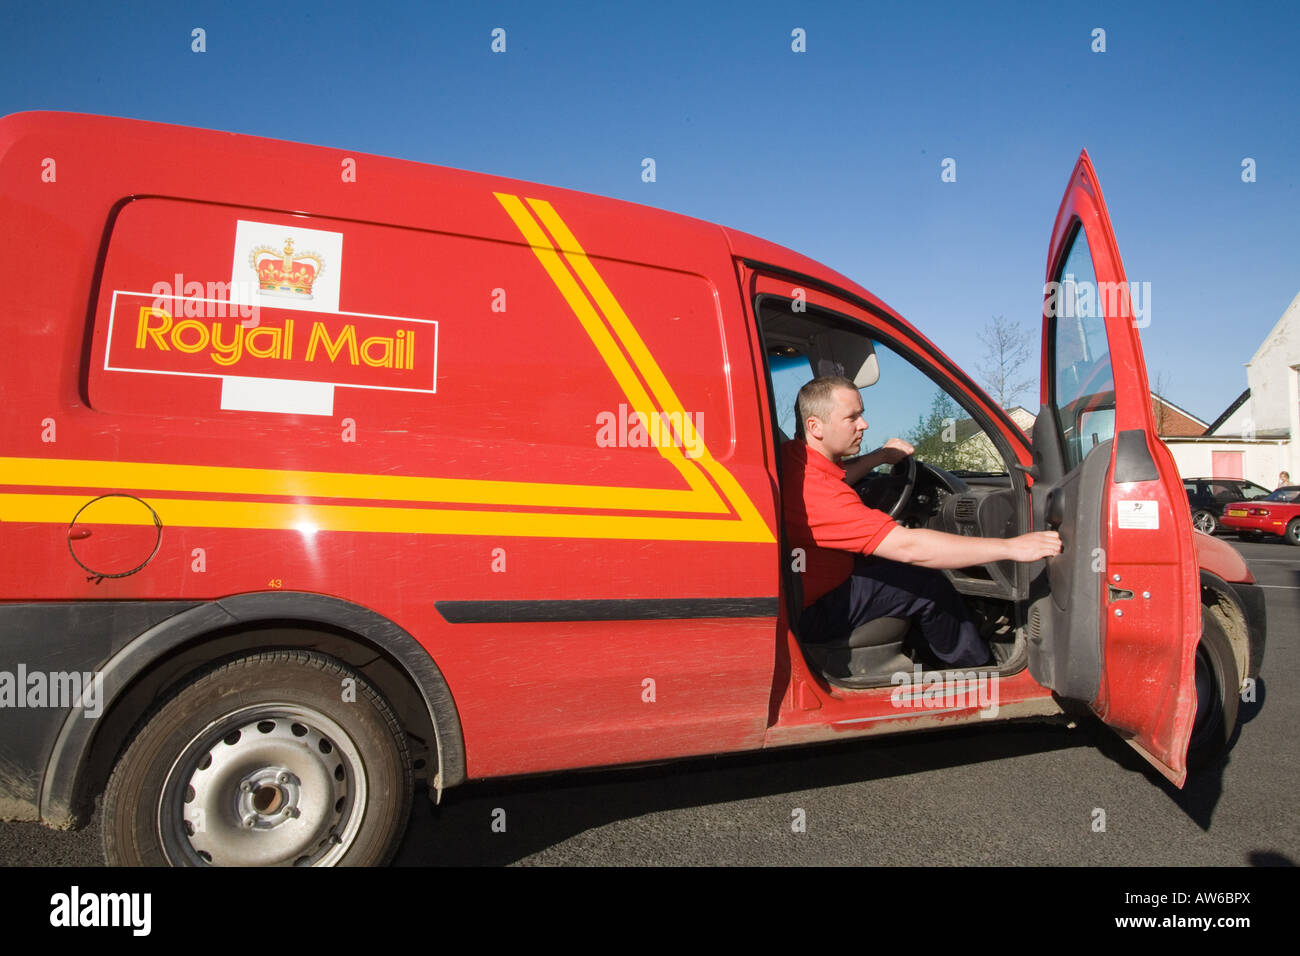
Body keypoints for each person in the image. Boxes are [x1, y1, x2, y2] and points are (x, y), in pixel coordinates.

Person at [782, 376, 1062, 668]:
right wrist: (1011, 547)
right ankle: (977, 669)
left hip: (804, 590)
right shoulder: (822, 496)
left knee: (895, 571)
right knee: (925, 583)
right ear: (815, 426)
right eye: (852, 417)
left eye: (861, 414)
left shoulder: (794, 459)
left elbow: (836, 476)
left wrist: (878, 457)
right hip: (814, 611)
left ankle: (929, 654)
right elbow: (910, 547)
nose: (864, 424)